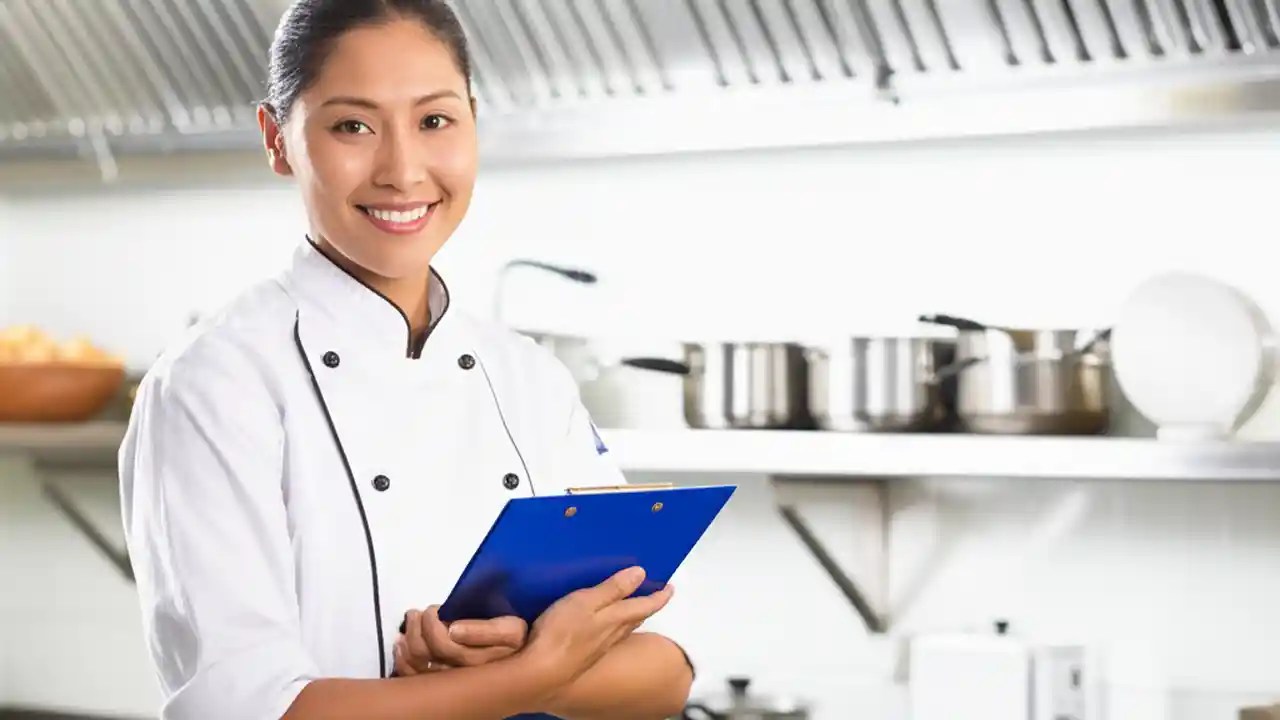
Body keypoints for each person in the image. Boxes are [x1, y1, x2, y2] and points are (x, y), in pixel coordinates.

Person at [117, 1, 696, 718]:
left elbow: (666, 671)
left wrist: (521, 668)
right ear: (277, 139)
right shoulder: (216, 383)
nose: (402, 169)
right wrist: (535, 667)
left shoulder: (528, 377)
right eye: (352, 125)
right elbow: (248, 709)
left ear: (473, 122)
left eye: (434, 121)